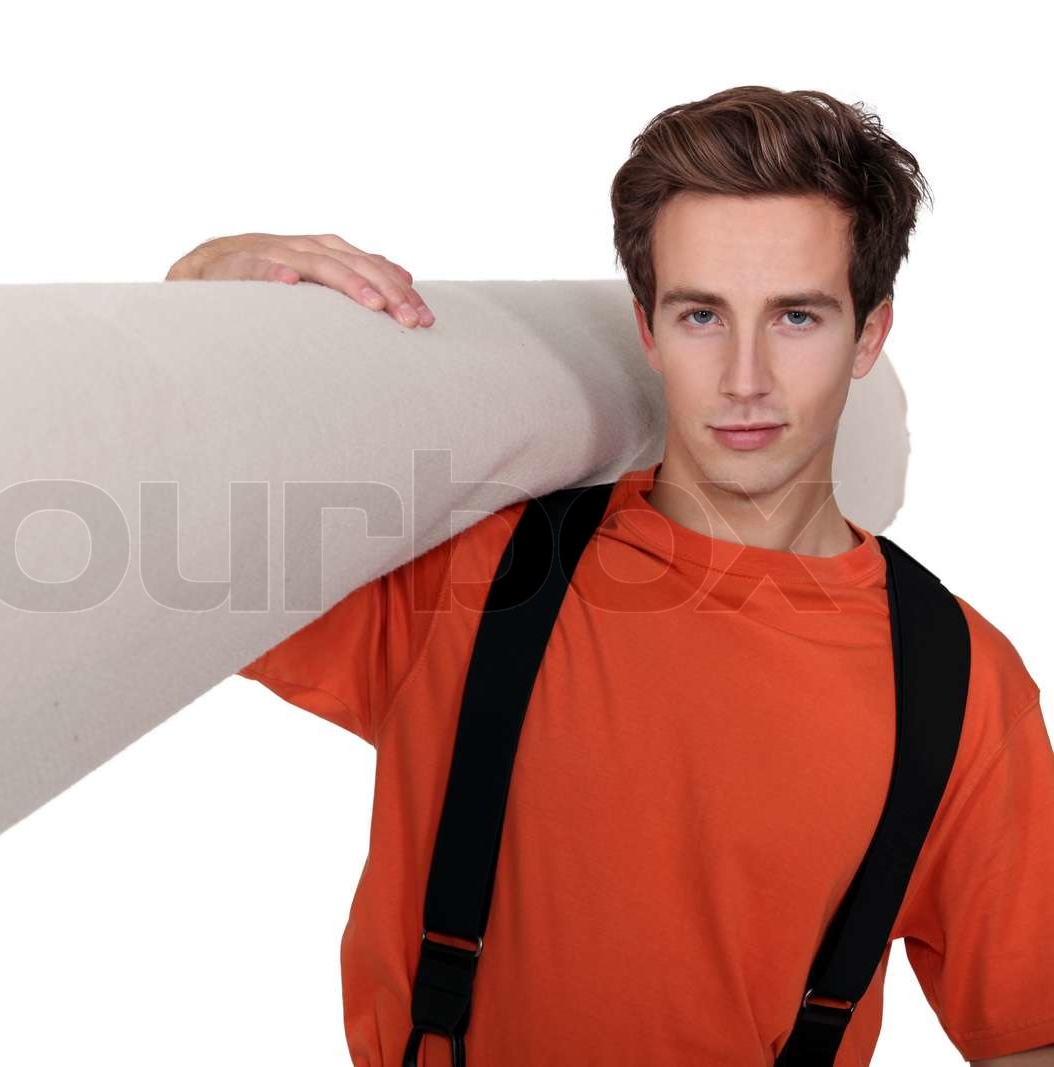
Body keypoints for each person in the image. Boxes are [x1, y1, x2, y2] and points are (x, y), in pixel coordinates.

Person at [165, 86, 1054, 1066]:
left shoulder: (956, 678)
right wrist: (211, 289)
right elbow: (191, 540)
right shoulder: (477, 575)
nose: (746, 376)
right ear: (646, 330)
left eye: (796, 316)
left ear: (869, 335)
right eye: (701, 315)